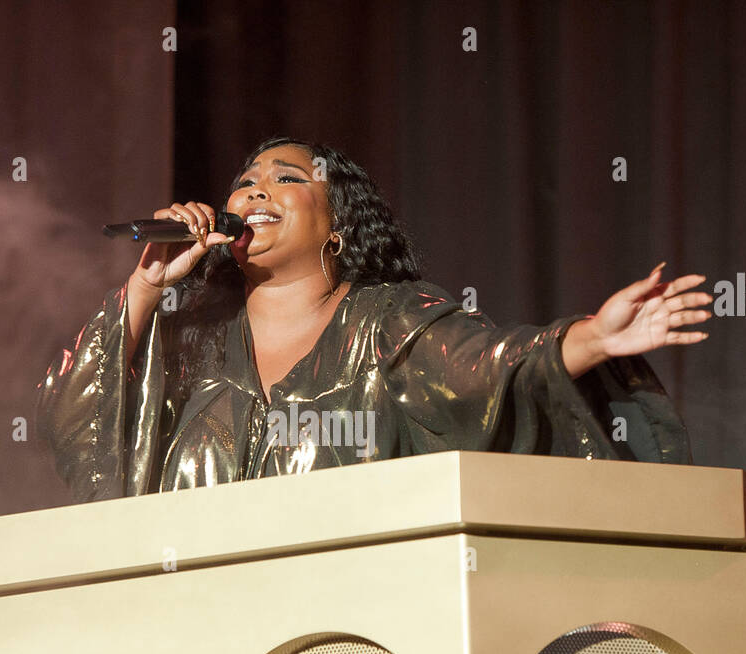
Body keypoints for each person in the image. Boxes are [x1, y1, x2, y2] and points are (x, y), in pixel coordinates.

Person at [35, 136, 710, 504]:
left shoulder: (384, 322)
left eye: (288, 178)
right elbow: (77, 420)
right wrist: (146, 286)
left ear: (339, 227)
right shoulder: (189, 348)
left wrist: (594, 336)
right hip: (198, 644)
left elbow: (490, 371)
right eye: (246, 181)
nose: (254, 190)